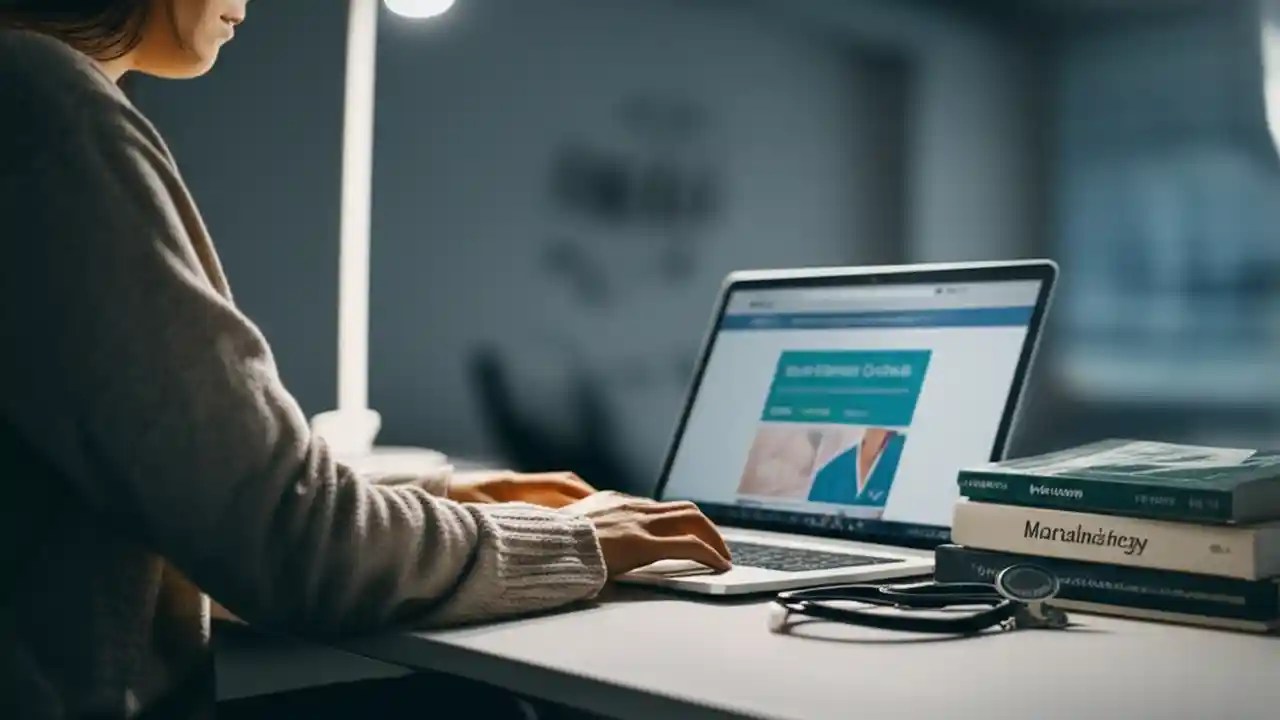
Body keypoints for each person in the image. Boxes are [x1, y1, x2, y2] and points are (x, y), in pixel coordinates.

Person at [0, 1, 733, 717]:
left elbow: (196, 495)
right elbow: (287, 544)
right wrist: (574, 543)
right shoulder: (40, 105)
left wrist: (447, 500)